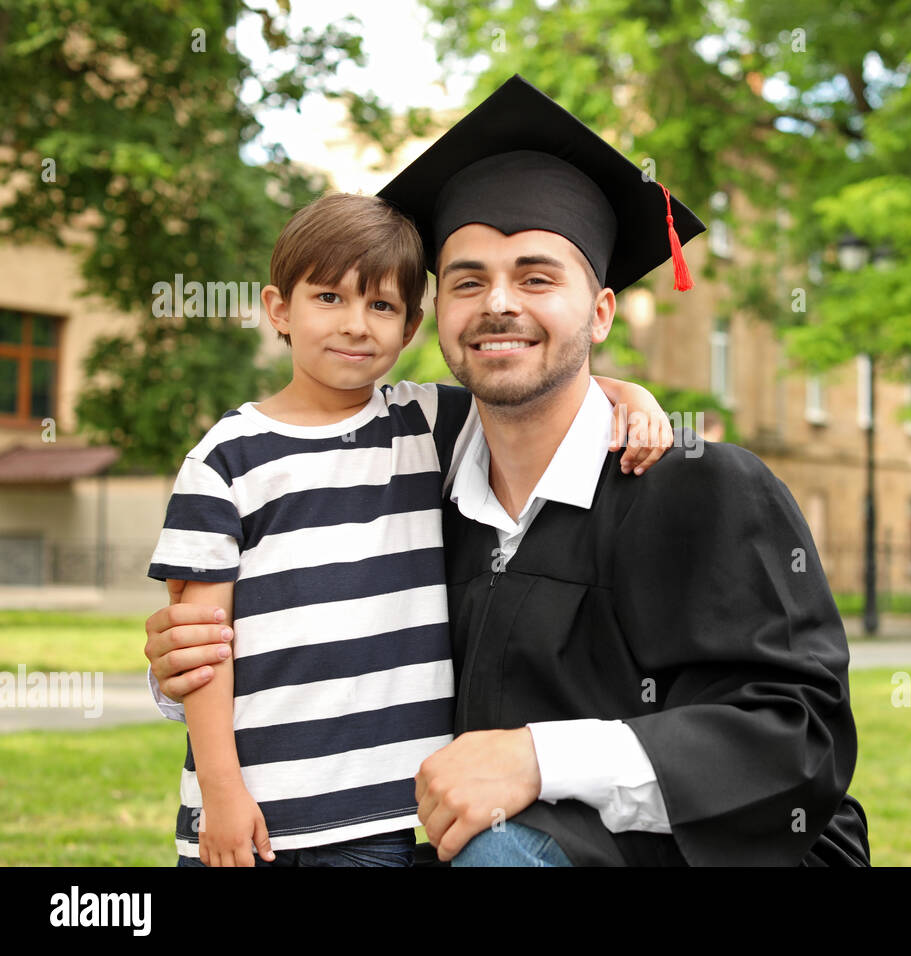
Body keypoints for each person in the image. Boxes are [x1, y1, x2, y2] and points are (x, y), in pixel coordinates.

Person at [149, 74, 870, 866]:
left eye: (536, 277)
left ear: (600, 313)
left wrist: (537, 757)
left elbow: (800, 736)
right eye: (467, 281)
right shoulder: (422, 493)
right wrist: (190, 659)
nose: (498, 304)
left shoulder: (700, 487)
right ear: (441, 322)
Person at [145, 188, 675, 867]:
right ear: (279, 308)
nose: (357, 325)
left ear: (412, 326)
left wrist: (629, 394)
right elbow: (197, 650)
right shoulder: (226, 458)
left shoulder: (425, 426)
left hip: (381, 819)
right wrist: (220, 794)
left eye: (382, 305)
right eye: (328, 298)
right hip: (251, 816)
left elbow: (536, 387)